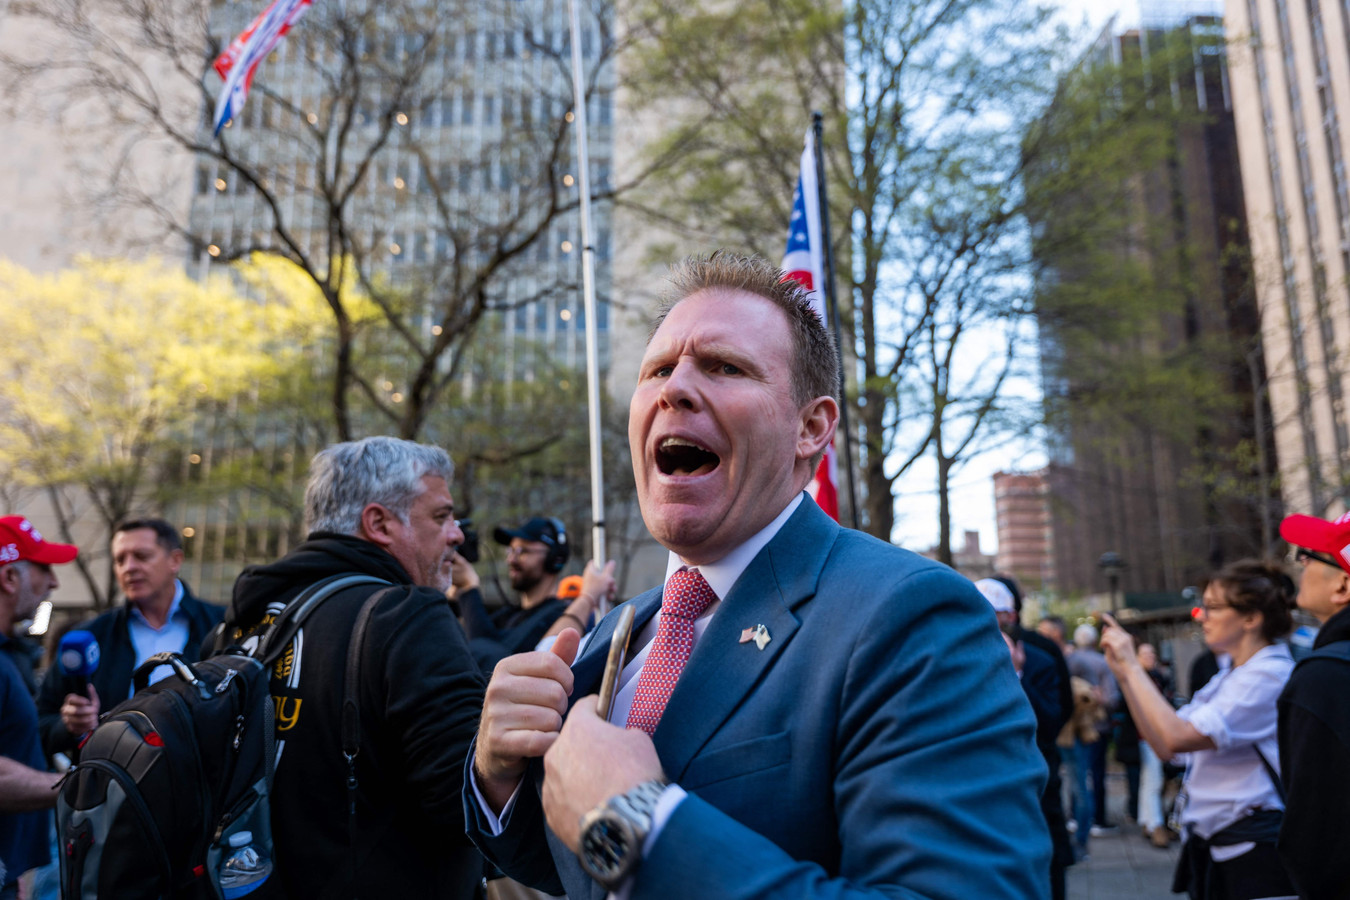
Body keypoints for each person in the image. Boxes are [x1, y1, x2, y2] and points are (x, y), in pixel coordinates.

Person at [465, 253, 1050, 898]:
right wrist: (498, 775)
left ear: (811, 427)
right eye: (658, 369)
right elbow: (582, 868)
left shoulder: (913, 616)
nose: (673, 389)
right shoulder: (619, 631)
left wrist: (641, 828)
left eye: (724, 366)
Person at [219, 436, 486, 900]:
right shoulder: (407, 615)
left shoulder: (238, 626)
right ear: (379, 523)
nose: (457, 534)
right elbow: (468, 803)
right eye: (441, 516)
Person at [1100, 560, 1297, 900]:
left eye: (1214, 608)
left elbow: (1177, 735)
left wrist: (1133, 667)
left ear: (1252, 618)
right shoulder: (1230, 675)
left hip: (1253, 850)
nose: (1202, 616)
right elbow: (1165, 745)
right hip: (1219, 846)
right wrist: (1123, 675)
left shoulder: (1268, 675)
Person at [36, 517, 222, 759]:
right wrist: (70, 725)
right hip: (114, 785)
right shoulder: (91, 636)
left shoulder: (221, 626)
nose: (128, 567)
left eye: (141, 556)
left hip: (205, 783)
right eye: (119, 560)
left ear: (175, 560)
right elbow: (39, 723)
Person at [976, 577, 1073, 900]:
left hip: (1038, 780)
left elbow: (1055, 717)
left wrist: (1017, 674)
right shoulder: (960, 659)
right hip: (983, 786)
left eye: (997, 613)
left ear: (1011, 616)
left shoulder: (1040, 656)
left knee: (1047, 864)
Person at [1274, 512, 1350, 899]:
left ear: (1343, 585)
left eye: (1311, 555)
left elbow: (1313, 831)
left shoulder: (1322, 679)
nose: (1301, 562)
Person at [0, 517, 74, 899]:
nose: (54, 582)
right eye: (44, 569)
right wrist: (84, 784)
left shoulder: (11, 654)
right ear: (9, 578)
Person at [452, 516, 616, 670]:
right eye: (511, 551)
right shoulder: (508, 614)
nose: (511, 559)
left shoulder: (558, 614)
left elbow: (489, 658)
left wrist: (469, 587)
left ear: (554, 559)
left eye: (522, 551)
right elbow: (472, 651)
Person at [1068, 622, 1119, 844]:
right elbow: (1111, 698)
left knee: (1075, 773)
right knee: (1096, 774)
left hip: (1070, 727)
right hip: (1096, 728)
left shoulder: (1068, 661)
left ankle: (1074, 816)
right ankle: (1097, 819)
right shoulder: (1102, 663)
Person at [1134, 642, 1176, 849]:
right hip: (1144, 737)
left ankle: (1147, 821)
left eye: (1152, 653)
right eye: (1144, 654)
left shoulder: (1160, 678)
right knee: (1153, 780)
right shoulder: (1138, 680)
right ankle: (1155, 824)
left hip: (1155, 735)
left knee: (1149, 780)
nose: (1149, 657)